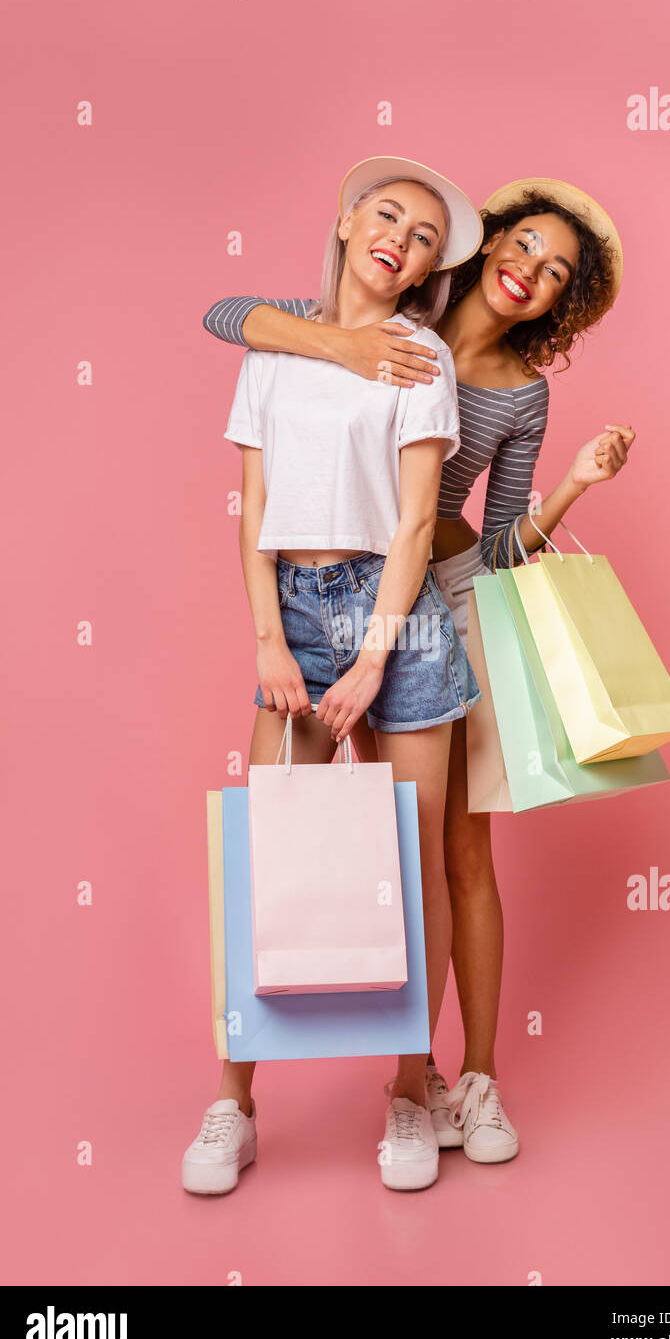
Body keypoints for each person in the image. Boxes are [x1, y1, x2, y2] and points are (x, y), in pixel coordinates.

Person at [200, 177, 635, 1165]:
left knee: (450, 851)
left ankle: (453, 1078)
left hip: (445, 593)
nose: (532, 271)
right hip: (326, 589)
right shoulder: (401, 307)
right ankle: (253, 1091)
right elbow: (231, 316)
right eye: (525, 245)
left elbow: (498, 545)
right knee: (282, 830)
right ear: (484, 248)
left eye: (557, 271)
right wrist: (337, 342)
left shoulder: (515, 388)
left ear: (559, 302)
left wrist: (573, 485)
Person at [183, 157, 484, 1196]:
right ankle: (236, 1100)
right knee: (273, 847)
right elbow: (252, 513)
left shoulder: (419, 358)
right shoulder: (272, 343)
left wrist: (371, 652)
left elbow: (411, 522)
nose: (401, 235)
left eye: (424, 235)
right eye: (388, 213)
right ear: (351, 223)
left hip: (394, 617)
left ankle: (411, 1085)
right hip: (295, 609)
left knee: (408, 859)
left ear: (423, 273)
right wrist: (270, 640)